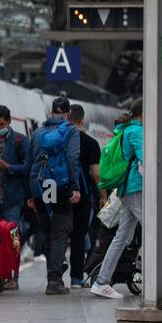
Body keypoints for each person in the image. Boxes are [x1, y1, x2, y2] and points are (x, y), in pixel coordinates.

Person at [26, 96, 82, 295]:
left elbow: (29, 162)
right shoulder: (71, 130)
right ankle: (54, 279)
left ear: (51, 112)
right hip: (59, 186)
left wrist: (31, 193)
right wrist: (75, 187)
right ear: (67, 113)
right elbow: (72, 158)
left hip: (40, 186)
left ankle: (54, 272)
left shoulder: (38, 132)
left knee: (49, 232)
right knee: (60, 233)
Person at [93, 98, 143, 299]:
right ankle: (160, 281)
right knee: (155, 232)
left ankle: (101, 281)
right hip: (135, 188)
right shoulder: (137, 132)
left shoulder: (128, 130)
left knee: (123, 236)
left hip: (126, 189)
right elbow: (146, 158)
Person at [68, 104, 101, 288]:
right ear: (82, 121)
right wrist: (103, 196)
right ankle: (76, 278)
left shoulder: (60, 140)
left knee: (57, 235)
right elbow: (96, 174)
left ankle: (54, 276)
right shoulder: (91, 143)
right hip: (83, 195)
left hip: (60, 194)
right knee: (78, 236)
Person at [0, 106, 28, 226]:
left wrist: (9, 168)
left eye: (1, 124)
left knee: (11, 237)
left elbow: (28, 168)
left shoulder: (20, 141)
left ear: (9, 121)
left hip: (12, 201)